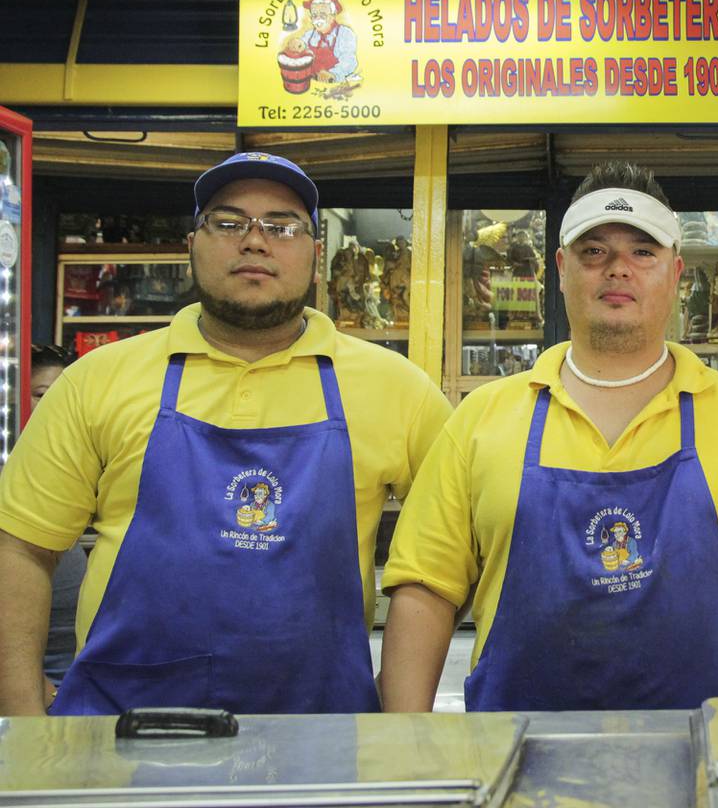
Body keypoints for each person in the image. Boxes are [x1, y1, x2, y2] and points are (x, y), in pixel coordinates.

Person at [380, 162, 718, 712]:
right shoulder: (483, 419)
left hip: (713, 769)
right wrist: (405, 741)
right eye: (594, 251)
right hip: (519, 767)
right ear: (560, 268)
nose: (617, 269)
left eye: (643, 252)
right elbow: (425, 589)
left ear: (677, 273)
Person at [0, 152, 452, 716]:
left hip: (322, 736)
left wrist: (403, 725)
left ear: (317, 257)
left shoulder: (399, 390)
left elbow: (450, 557)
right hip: (118, 733)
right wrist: (21, 725)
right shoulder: (97, 380)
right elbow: (20, 549)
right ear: (193, 245)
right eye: (229, 222)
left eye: (282, 226)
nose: (255, 242)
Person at [28, 345, 87, 707]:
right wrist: (45, 695)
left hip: (82, 677)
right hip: (43, 689)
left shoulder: (78, 464)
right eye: (40, 395)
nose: (52, 405)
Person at [302, 0, 359, 84]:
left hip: (334, 83)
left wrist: (333, 74)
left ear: (333, 16)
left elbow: (349, 60)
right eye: (314, 15)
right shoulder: (308, 35)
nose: (318, 19)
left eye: (323, 15)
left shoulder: (345, 34)